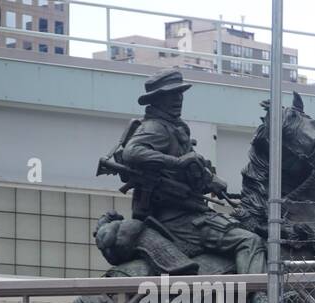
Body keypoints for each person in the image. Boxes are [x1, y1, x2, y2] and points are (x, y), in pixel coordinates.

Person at [109, 69, 266, 275]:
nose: (178, 99)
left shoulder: (175, 128)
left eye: (180, 94)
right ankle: (261, 300)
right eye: (171, 95)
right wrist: (178, 162)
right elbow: (132, 152)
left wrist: (210, 180)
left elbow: (191, 168)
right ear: (158, 99)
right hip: (179, 219)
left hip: (191, 213)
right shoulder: (156, 127)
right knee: (250, 241)